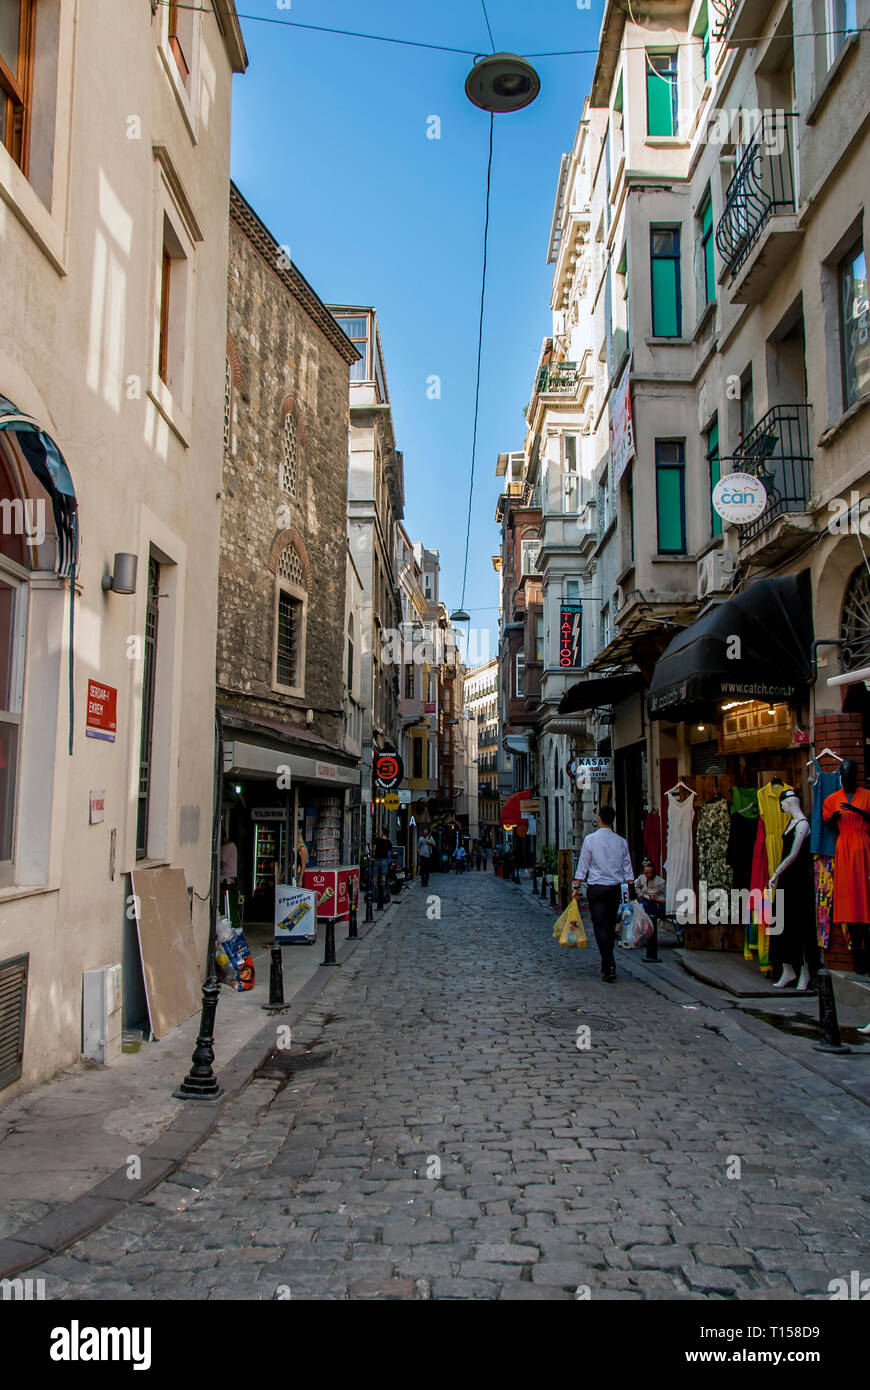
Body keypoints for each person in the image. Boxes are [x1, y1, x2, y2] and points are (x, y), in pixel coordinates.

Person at [572, 805, 634, 983]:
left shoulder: (590, 840)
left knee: (599, 927)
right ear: (612, 820)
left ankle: (609, 963)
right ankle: (608, 962)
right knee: (608, 926)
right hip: (613, 888)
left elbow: (583, 864)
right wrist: (631, 886)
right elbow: (627, 865)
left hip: (597, 888)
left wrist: (576, 886)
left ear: (599, 819)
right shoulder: (621, 841)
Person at [634, 857, 666, 963]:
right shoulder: (641, 879)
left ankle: (641, 935)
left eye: (651, 873)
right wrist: (641, 894)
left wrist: (656, 899)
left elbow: (667, 898)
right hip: (645, 901)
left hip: (656, 905)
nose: (649, 875)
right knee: (637, 907)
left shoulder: (660, 882)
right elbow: (636, 887)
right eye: (646, 873)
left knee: (641, 908)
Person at [372, 830, 393, 903]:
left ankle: (375, 895)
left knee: (375, 878)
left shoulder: (377, 840)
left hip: (377, 860)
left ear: (383, 833)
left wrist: (374, 854)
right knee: (384, 877)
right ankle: (383, 893)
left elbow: (374, 849)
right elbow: (389, 853)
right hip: (384, 860)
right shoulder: (389, 842)